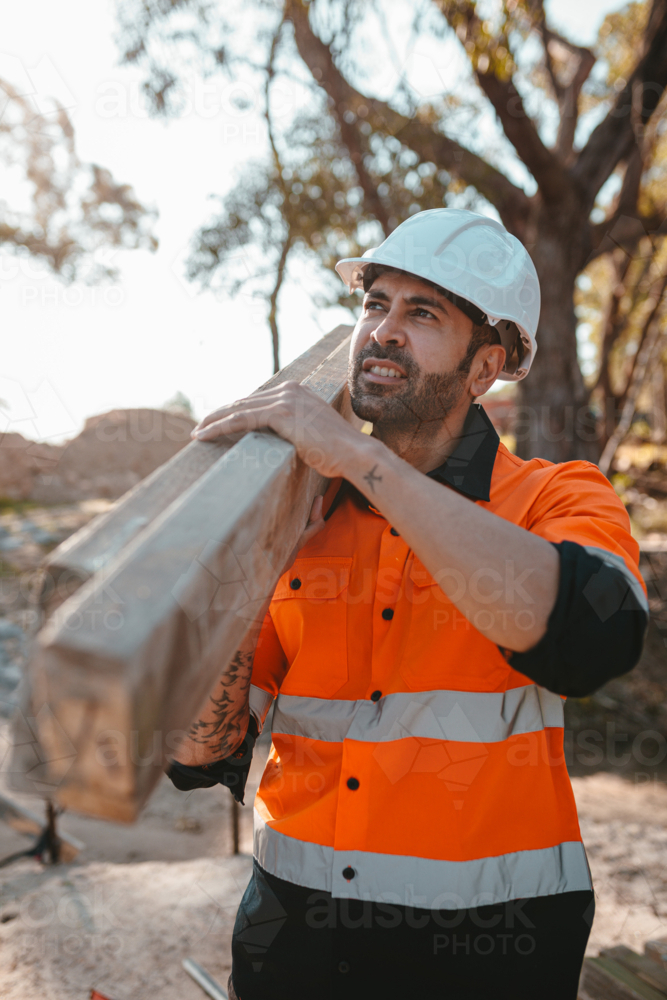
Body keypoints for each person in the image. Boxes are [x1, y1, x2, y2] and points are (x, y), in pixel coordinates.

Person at [168, 209, 648, 1000]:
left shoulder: (555, 496)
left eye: (422, 313)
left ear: (484, 365)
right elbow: (199, 753)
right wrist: (249, 573)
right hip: (291, 938)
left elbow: (590, 640)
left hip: (492, 948)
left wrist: (359, 461)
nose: (383, 331)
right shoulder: (303, 519)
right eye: (374, 304)